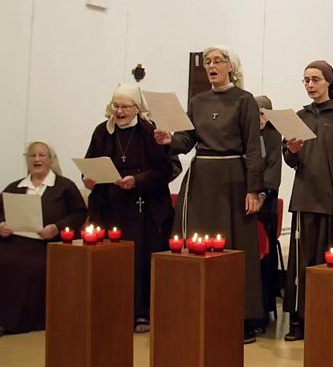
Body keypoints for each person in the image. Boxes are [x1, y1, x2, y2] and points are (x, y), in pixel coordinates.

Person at [154, 45, 265, 344]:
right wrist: (169, 140)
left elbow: (253, 147)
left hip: (233, 179)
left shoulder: (244, 100)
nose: (212, 66)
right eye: (207, 62)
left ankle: (240, 317)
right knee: (197, 242)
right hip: (201, 179)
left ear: (231, 67)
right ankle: (195, 309)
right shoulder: (198, 101)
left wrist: (254, 189)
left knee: (234, 246)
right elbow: (187, 139)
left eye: (218, 61)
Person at [0, 141, 87, 339]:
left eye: (42, 155)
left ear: (50, 159)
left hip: (46, 244)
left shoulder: (64, 186)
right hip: (13, 241)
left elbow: (79, 213)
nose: (37, 159)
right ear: (27, 160)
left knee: (26, 266)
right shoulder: (16, 187)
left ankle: (7, 321)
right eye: (32, 155)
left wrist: (56, 227)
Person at [84, 83, 175, 333]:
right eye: (116, 106)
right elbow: (90, 162)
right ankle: (111, 309)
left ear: (137, 108)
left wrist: (137, 180)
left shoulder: (150, 131)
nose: (119, 112)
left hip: (143, 207)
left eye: (125, 107)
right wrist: (88, 179)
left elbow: (165, 170)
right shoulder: (102, 132)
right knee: (111, 259)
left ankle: (141, 312)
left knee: (139, 260)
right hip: (110, 204)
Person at [282, 61, 333, 341]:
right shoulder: (299, 116)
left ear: (328, 81)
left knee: (328, 265)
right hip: (304, 200)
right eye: (306, 80)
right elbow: (290, 160)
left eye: (315, 79)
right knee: (301, 266)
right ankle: (298, 320)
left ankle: (328, 318)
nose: (310, 85)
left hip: (331, 204)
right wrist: (291, 151)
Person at [253, 94, 282, 333]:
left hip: (266, 204)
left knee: (265, 259)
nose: (259, 118)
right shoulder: (244, 135)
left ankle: (263, 311)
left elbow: (273, 169)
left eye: (262, 114)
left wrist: (261, 194)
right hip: (246, 202)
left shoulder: (274, 135)